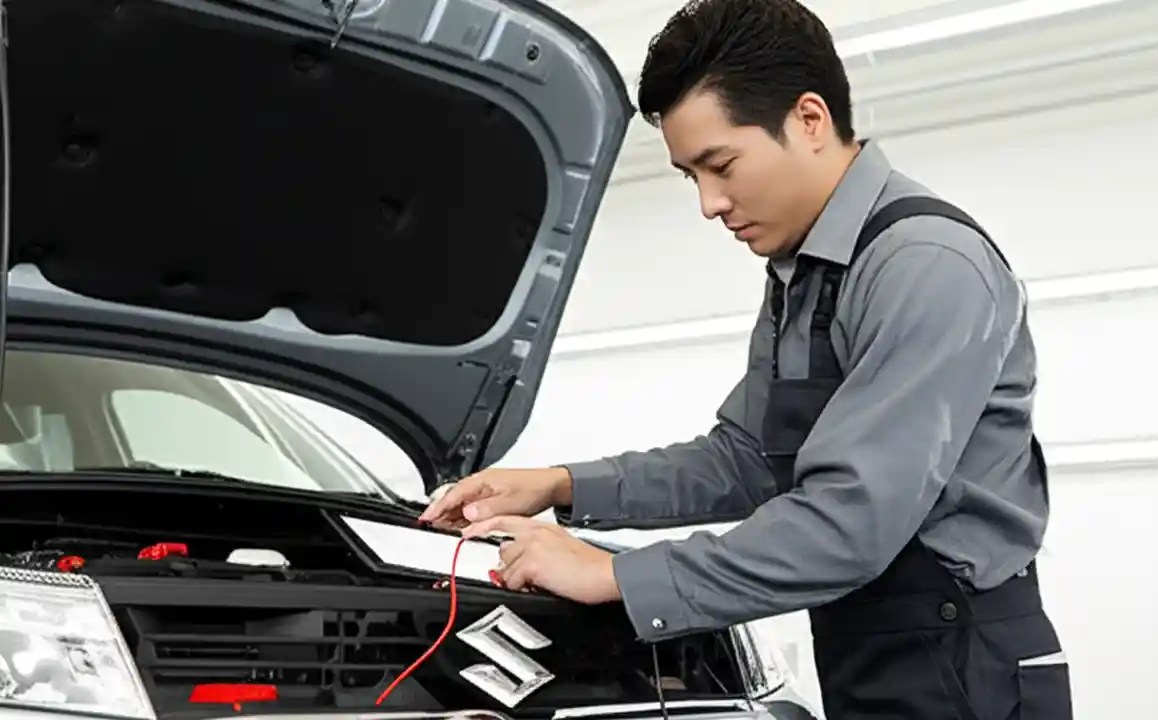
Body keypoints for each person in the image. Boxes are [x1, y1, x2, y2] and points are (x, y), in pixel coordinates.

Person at [421, 0, 1072, 717]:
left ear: (809, 121)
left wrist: (621, 576)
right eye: (689, 176)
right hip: (877, 645)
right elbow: (746, 458)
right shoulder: (808, 270)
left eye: (720, 165)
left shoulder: (925, 264)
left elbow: (850, 523)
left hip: (962, 664)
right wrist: (560, 485)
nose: (709, 203)